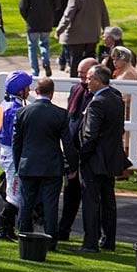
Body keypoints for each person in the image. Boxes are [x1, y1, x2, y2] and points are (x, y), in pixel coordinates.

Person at [13, 77, 72, 248]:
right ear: (52, 94)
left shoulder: (22, 113)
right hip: (51, 166)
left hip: (28, 164)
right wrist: (72, 166)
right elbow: (67, 143)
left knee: (26, 203)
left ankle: (24, 236)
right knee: (50, 205)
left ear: (36, 91)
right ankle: (51, 241)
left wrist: (18, 165)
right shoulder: (61, 114)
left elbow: (16, 143)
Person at [74, 66, 127, 253]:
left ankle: (90, 243)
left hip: (95, 160)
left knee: (91, 202)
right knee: (108, 201)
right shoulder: (115, 98)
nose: (86, 82)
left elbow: (90, 135)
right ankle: (108, 240)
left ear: (98, 80)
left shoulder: (98, 103)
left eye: (89, 79)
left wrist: (81, 156)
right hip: (111, 158)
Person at [55, 57, 98, 242]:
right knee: (70, 195)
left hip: (89, 153)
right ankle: (63, 230)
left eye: (84, 74)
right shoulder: (76, 89)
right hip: (72, 151)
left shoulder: (98, 94)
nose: (81, 78)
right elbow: (70, 117)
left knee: (91, 198)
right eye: (79, 74)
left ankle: (94, 237)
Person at [0, 70, 33, 241]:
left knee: (13, 193)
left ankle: (7, 229)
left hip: (4, 152)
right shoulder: (16, 109)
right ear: (20, 90)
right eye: (27, 88)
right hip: (12, 154)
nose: (29, 91)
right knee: (14, 195)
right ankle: (3, 229)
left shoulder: (5, 104)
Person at [55, 0, 110, 71]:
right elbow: (104, 16)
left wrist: (59, 31)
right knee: (90, 62)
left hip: (76, 37)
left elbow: (67, 17)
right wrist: (106, 31)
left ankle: (75, 82)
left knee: (75, 62)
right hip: (93, 36)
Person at [19, 0, 60, 77]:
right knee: (45, 44)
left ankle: (34, 71)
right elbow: (57, 4)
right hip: (46, 22)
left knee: (32, 47)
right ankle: (45, 60)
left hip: (32, 22)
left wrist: (27, 17)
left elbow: (22, 6)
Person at [109, 45, 137, 180]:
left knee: (126, 142)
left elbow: (126, 95)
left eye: (116, 59)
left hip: (127, 110)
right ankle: (131, 169)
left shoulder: (128, 73)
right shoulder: (122, 72)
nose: (114, 62)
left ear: (124, 59)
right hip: (122, 109)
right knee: (123, 141)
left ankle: (134, 169)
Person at [53, 0, 77, 72]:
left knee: (66, 39)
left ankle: (66, 61)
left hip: (63, 14)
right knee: (68, 40)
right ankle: (63, 60)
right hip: (77, 15)